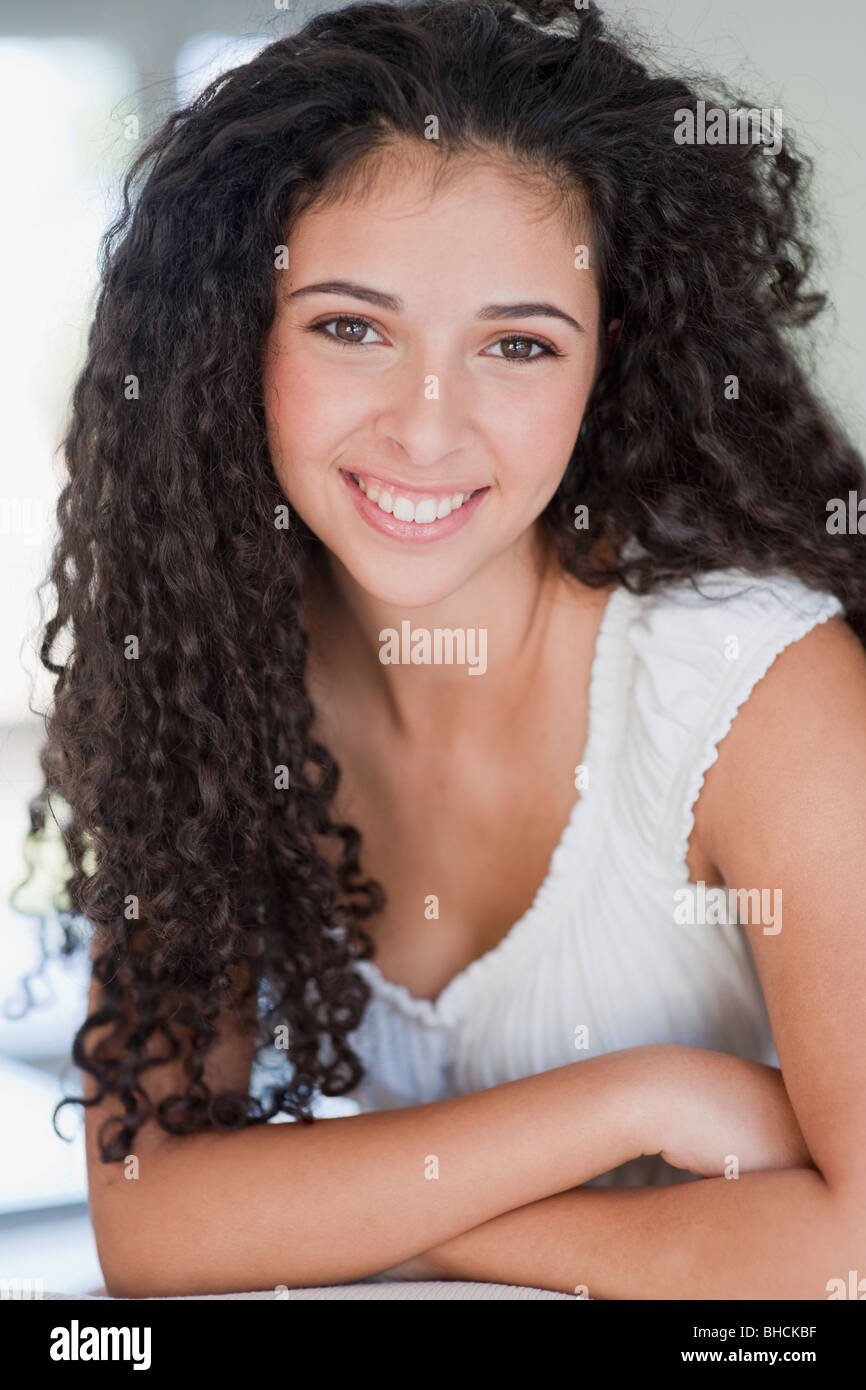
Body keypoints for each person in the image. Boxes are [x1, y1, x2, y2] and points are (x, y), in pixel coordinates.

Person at [16, 0, 866, 1298]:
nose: (427, 428)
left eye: (517, 344)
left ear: (604, 368)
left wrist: (347, 1207)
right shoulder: (209, 668)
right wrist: (634, 1098)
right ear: (239, 332)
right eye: (351, 326)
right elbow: (150, 1224)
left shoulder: (764, 689)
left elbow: (851, 1250)